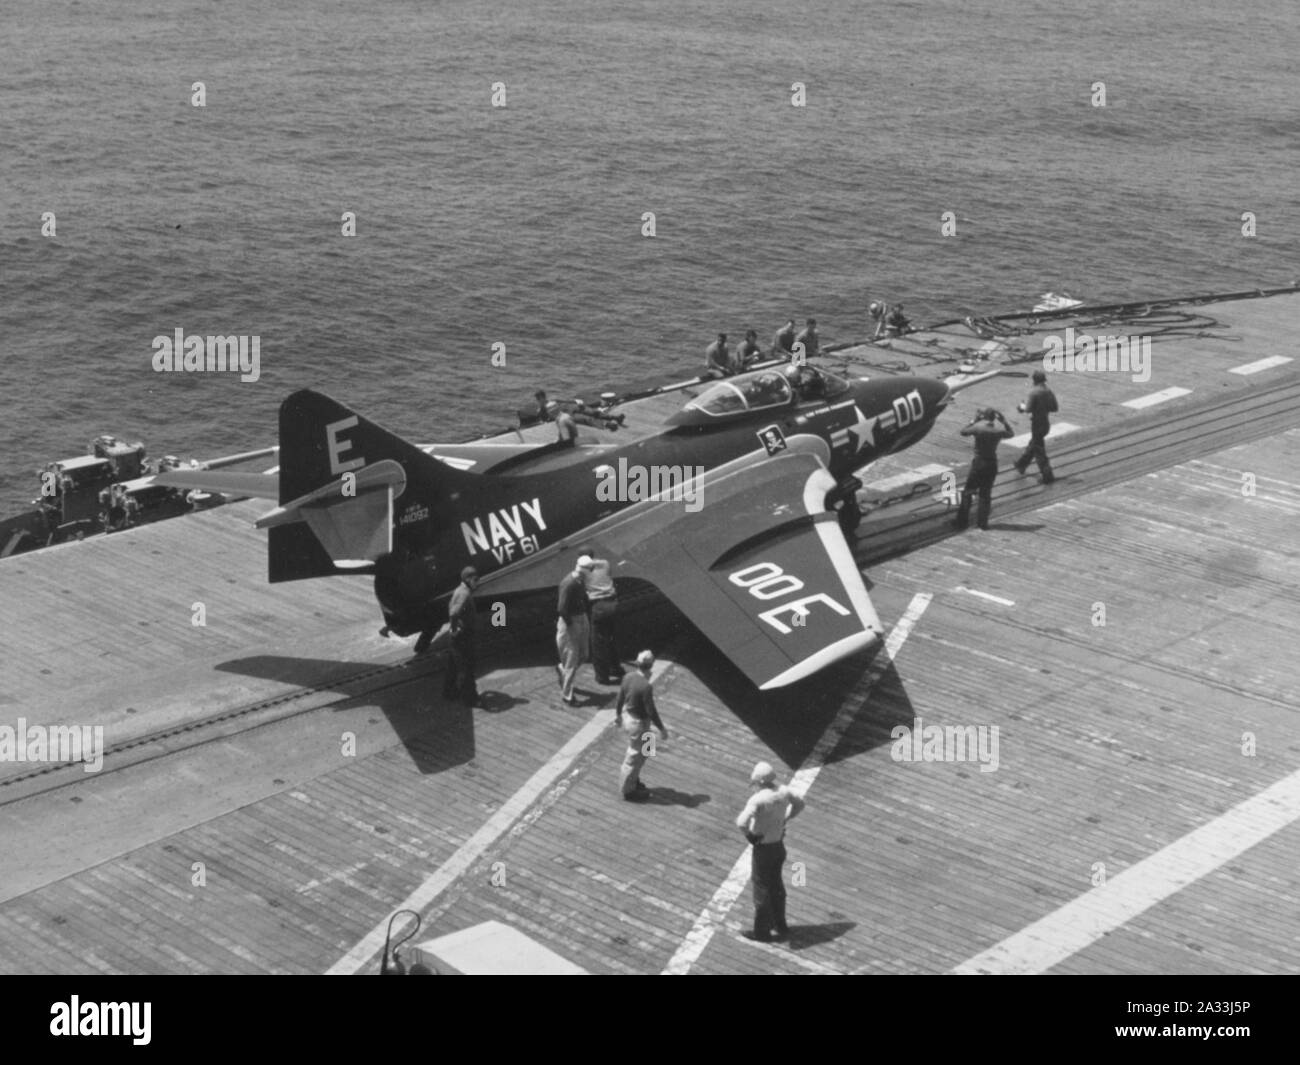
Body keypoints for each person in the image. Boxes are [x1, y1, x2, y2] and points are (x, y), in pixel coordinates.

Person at [735, 761, 805, 941]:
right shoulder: (783, 791)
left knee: (761, 889)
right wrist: (786, 819)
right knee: (776, 886)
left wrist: (750, 836)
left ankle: (761, 932)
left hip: (763, 849)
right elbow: (800, 804)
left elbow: (741, 822)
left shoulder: (758, 799)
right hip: (778, 846)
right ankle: (780, 923)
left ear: (758, 782)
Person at [615, 650, 668, 801]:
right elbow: (651, 710)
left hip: (631, 719)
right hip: (640, 724)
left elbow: (620, 698)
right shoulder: (646, 686)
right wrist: (662, 729)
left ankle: (634, 778)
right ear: (651, 666)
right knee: (634, 756)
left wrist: (618, 715)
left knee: (647, 750)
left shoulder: (628, 677)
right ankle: (628, 790)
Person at [955, 407, 1014, 531]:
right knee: (985, 494)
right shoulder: (998, 431)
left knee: (968, 492)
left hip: (978, 462)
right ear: (994, 418)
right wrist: (1004, 421)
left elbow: (963, 431)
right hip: (991, 463)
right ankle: (982, 523)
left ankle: (961, 521)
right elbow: (1011, 433)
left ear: (984, 417)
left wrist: (974, 420)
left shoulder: (978, 428)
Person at [576, 543, 621, 684]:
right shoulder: (605, 563)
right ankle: (616, 668)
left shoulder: (582, 569)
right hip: (613, 603)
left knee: (598, 644)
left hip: (598, 606)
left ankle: (602, 676)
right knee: (612, 638)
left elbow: (579, 583)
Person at [442, 566, 480, 707]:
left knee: (453, 666)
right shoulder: (464, 594)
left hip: (457, 638)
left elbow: (451, 608)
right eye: (475, 580)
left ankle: (449, 692)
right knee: (467, 669)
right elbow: (453, 613)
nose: (477, 583)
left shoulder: (459, 590)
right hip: (463, 636)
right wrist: (454, 628)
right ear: (467, 579)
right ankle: (471, 699)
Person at [556, 556, 592, 704]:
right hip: (570, 622)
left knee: (584, 654)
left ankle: (562, 670)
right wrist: (571, 625)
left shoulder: (580, 580)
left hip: (581, 617)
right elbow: (562, 608)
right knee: (571, 660)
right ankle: (567, 695)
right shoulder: (569, 583)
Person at [1013, 370, 1058, 484]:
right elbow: (1054, 408)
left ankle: (1047, 474)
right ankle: (1021, 464)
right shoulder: (1048, 391)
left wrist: (1021, 407)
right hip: (1045, 423)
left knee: (1039, 452)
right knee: (1034, 444)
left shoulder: (1034, 392)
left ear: (1034, 380)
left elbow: (1027, 409)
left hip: (1037, 424)